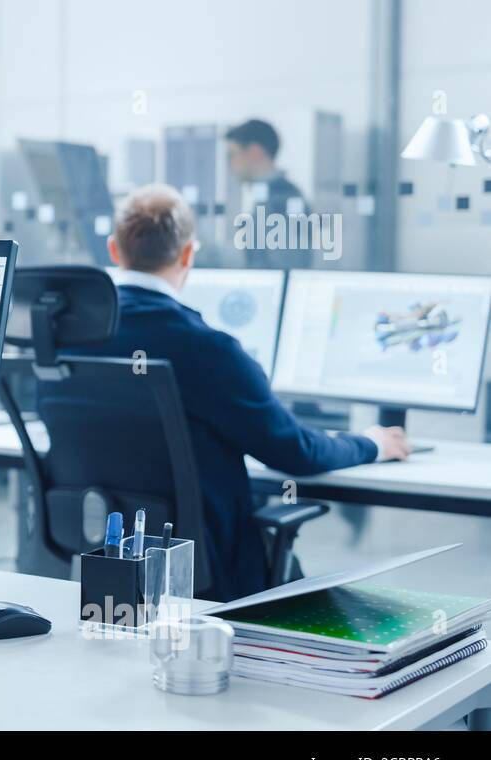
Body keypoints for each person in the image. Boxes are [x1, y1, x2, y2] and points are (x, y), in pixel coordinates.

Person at [61, 184, 410, 601]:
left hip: (98, 557)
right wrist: (370, 444)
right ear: (188, 254)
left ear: (114, 250)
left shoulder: (69, 337)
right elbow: (296, 451)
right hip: (205, 571)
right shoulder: (208, 349)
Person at [225, 118, 312, 269]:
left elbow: (285, 266)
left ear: (254, 152)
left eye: (232, 154)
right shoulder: (265, 196)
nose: (230, 163)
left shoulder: (283, 198)